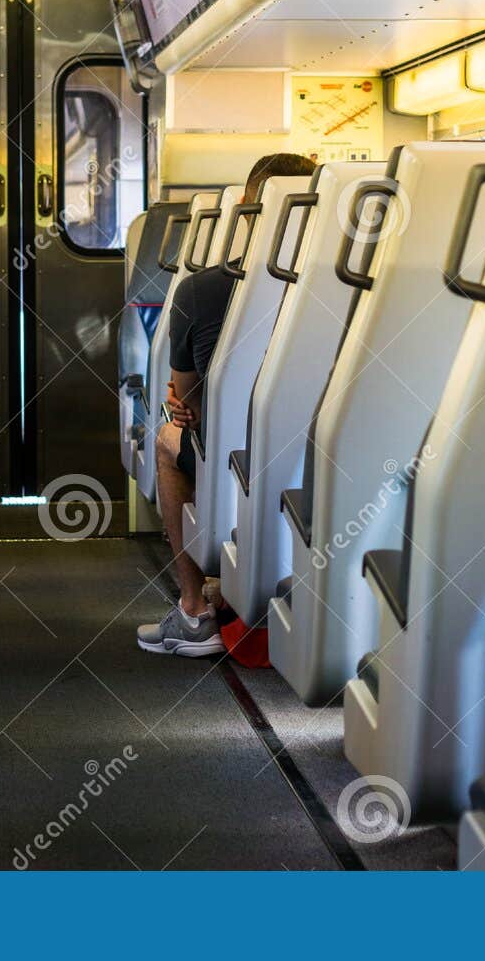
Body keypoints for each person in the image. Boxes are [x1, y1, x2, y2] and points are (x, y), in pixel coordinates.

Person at [138, 153, 318, 657]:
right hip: (324, 461)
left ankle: (195, 611)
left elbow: (184, 393)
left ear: (244, 208)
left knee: (168, 441)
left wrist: (191, 411)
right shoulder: (346, 288)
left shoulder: (201, 289)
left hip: (238, 457)